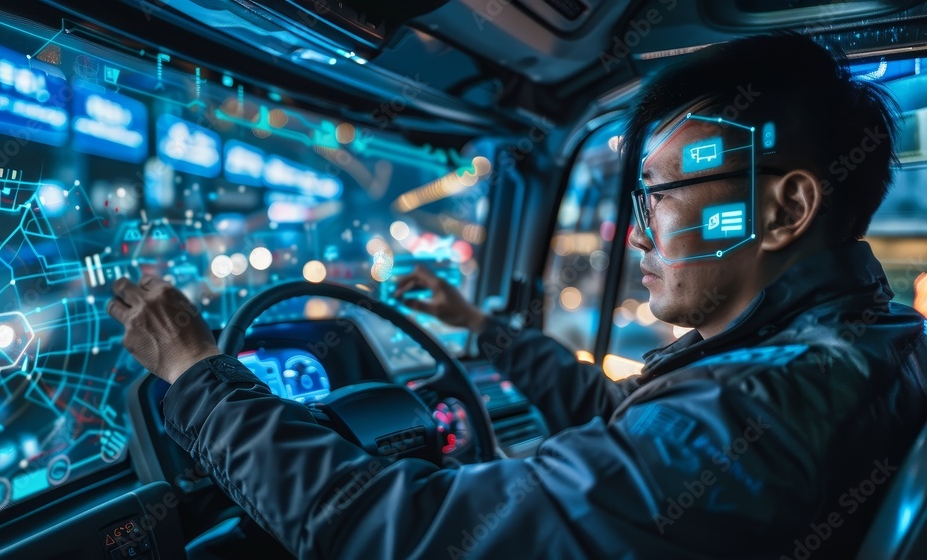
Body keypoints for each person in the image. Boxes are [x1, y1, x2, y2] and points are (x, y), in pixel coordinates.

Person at [107, 33, 927, 558]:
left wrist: (198, 371)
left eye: (660, 198)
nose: (637, 237)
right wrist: (480, 329)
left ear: (785, 209)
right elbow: (627, 424)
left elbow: (408, 534)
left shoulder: (753, 409)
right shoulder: (859, 345)